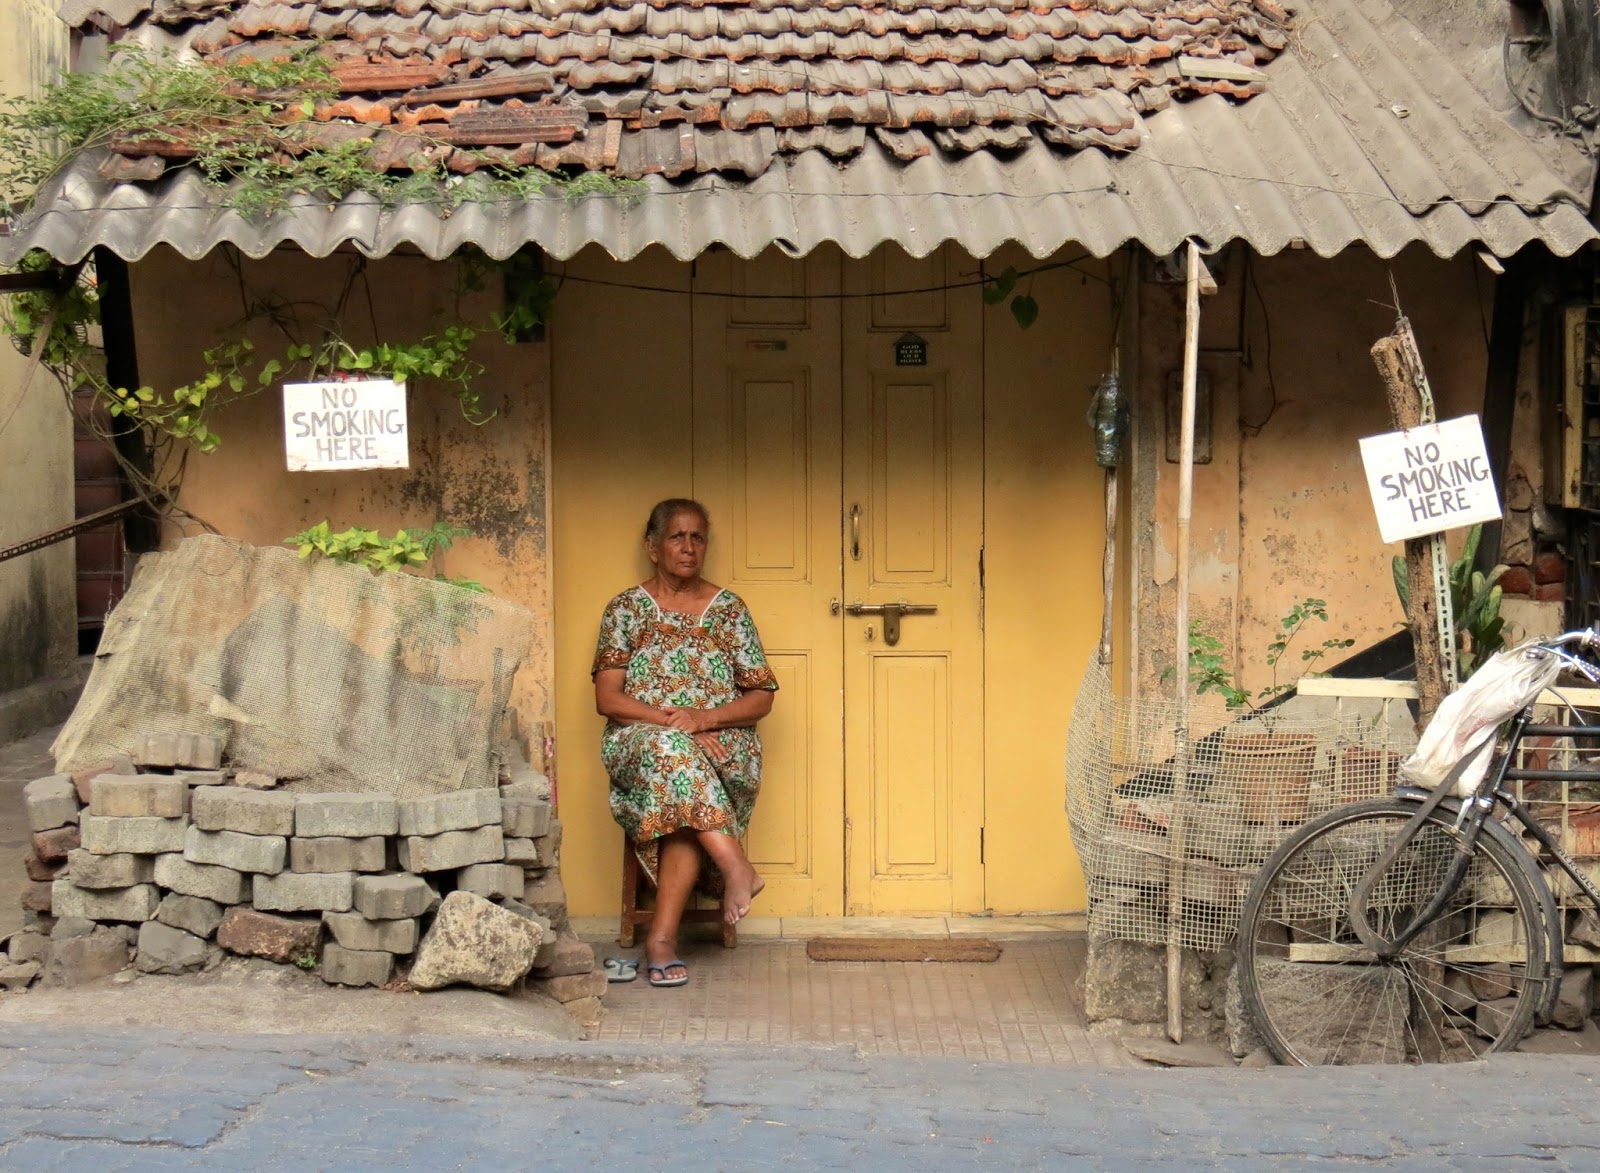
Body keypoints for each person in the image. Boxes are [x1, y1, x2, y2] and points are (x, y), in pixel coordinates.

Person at [592, 498, 776, 988]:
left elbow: (762, 697)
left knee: (681, 785)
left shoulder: (730, 611)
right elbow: (608, 699)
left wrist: (705, 718)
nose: (689, 547)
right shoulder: (625, 609)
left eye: (698, 537)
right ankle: (735, 866)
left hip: (722, 741)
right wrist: (678, 725)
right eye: (677, 536)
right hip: (641, 740)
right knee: (674, 756)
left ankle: (661, 941)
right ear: (653, 547)